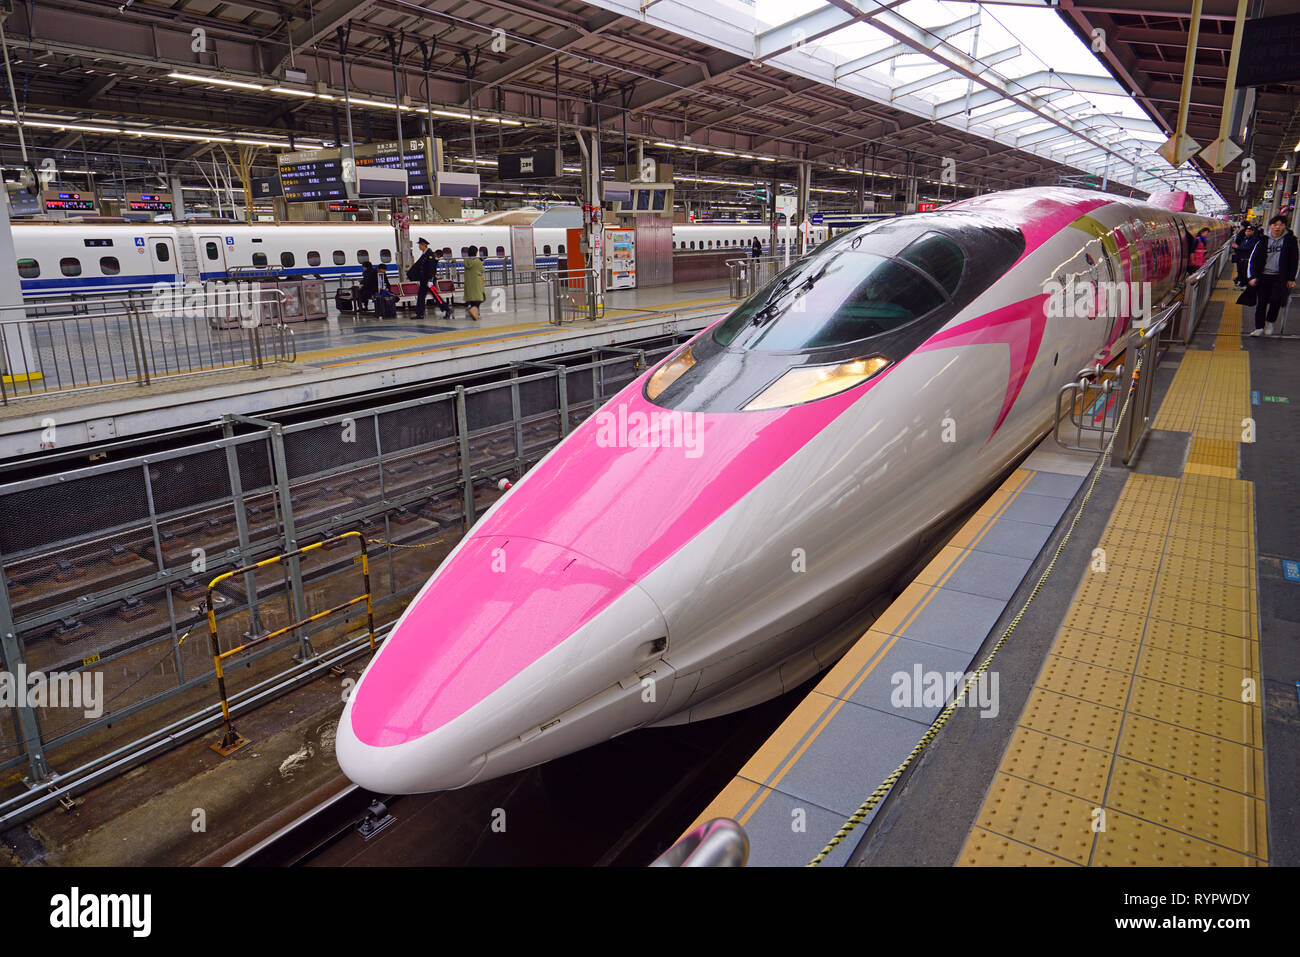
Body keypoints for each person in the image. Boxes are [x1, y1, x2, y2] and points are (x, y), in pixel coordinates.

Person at [1246, 214, 1299, 336]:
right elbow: (1253, 259)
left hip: (1280, 277)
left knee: (1276, 300)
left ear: (1284, 226)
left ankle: (1270, 321)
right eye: (1275, 225)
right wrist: (1252, 276)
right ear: (1270, 226)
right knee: (1261, 303)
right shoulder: (1263, 240)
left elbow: (1294, 260)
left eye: (1281, 225)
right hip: (1263, 276)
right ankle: (1259, 328)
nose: (1278, 227)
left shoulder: (1290, 241)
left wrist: (1291, 278)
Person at [409, 238, 451, 321]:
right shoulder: (425, 254)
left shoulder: (430, 255)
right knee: (421, 296)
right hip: (424, 280)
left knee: (435, 295)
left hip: (429, 281)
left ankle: (447, 309)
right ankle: (419, 314)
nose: (419, 246)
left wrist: (430, 280)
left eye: (420, 245)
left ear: (424, 245)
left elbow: (431, 269)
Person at [463, 246, 485, 322]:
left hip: (469, 282)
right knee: (480, 298)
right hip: (476, 282)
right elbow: (482, 270)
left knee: (472, 299)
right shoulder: (478, 261)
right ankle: (473, 310)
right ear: (476, 252)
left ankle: (475, 315)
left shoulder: (466, 261)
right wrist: (482, 263)